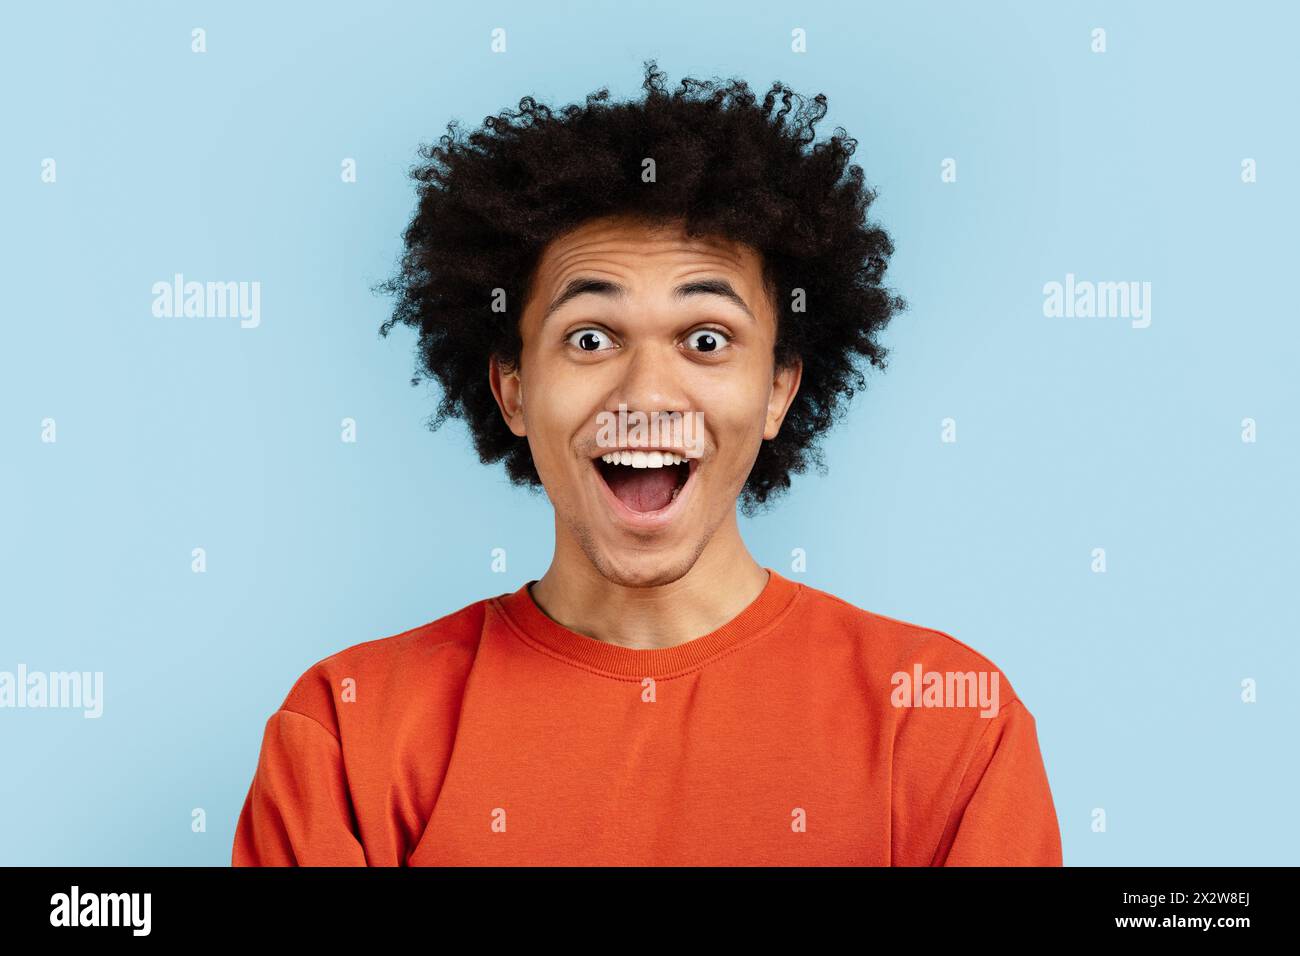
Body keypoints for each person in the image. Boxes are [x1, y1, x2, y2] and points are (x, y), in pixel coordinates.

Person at [232, 62, 1062, 866]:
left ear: (777, 392)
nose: (648, 394)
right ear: (513, 391)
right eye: (589, 338)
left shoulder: (945, 719)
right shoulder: (349, 731)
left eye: (706, 339)